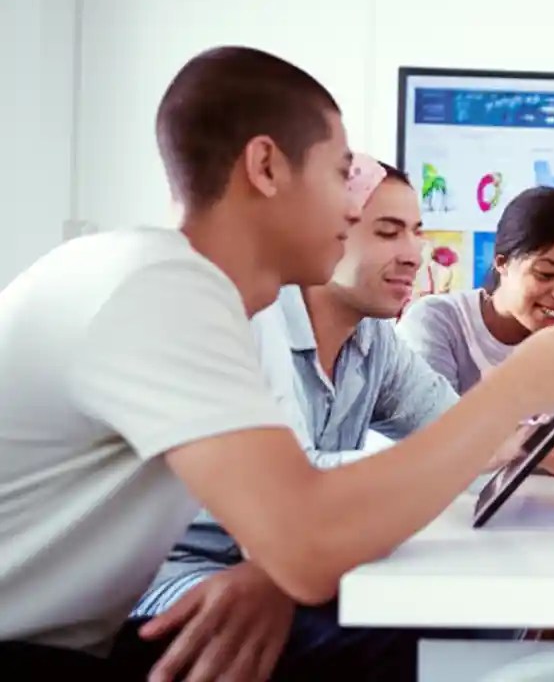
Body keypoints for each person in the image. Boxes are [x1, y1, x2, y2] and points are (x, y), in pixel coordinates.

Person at [0, 46, 554, 680]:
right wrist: (517, 388)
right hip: (38, 648)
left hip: (83, 639)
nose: (351, 206)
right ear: (266, 166)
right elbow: (305, 541)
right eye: (339, 175)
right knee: (428, 641)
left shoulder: (201, 294)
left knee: (444, 629)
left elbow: (291, 534)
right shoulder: (160, 286)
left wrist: (279, 565)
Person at [129, 155, 525, 679]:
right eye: (387, 233)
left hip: (283, 570)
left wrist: (528, 441)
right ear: (328, 231)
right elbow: (298, 486)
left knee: (476, 618)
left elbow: (452, 430)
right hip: (190, 578)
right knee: (422, 637)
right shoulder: (254, 319)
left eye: (417, 233)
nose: (414, 254)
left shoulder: (373, 338)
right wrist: (468, 443)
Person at [398, 185, 554, 478]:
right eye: (546, 274)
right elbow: (430, 442)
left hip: (540, 515)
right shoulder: (436, 321)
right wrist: (530, 447)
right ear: (502, 262)